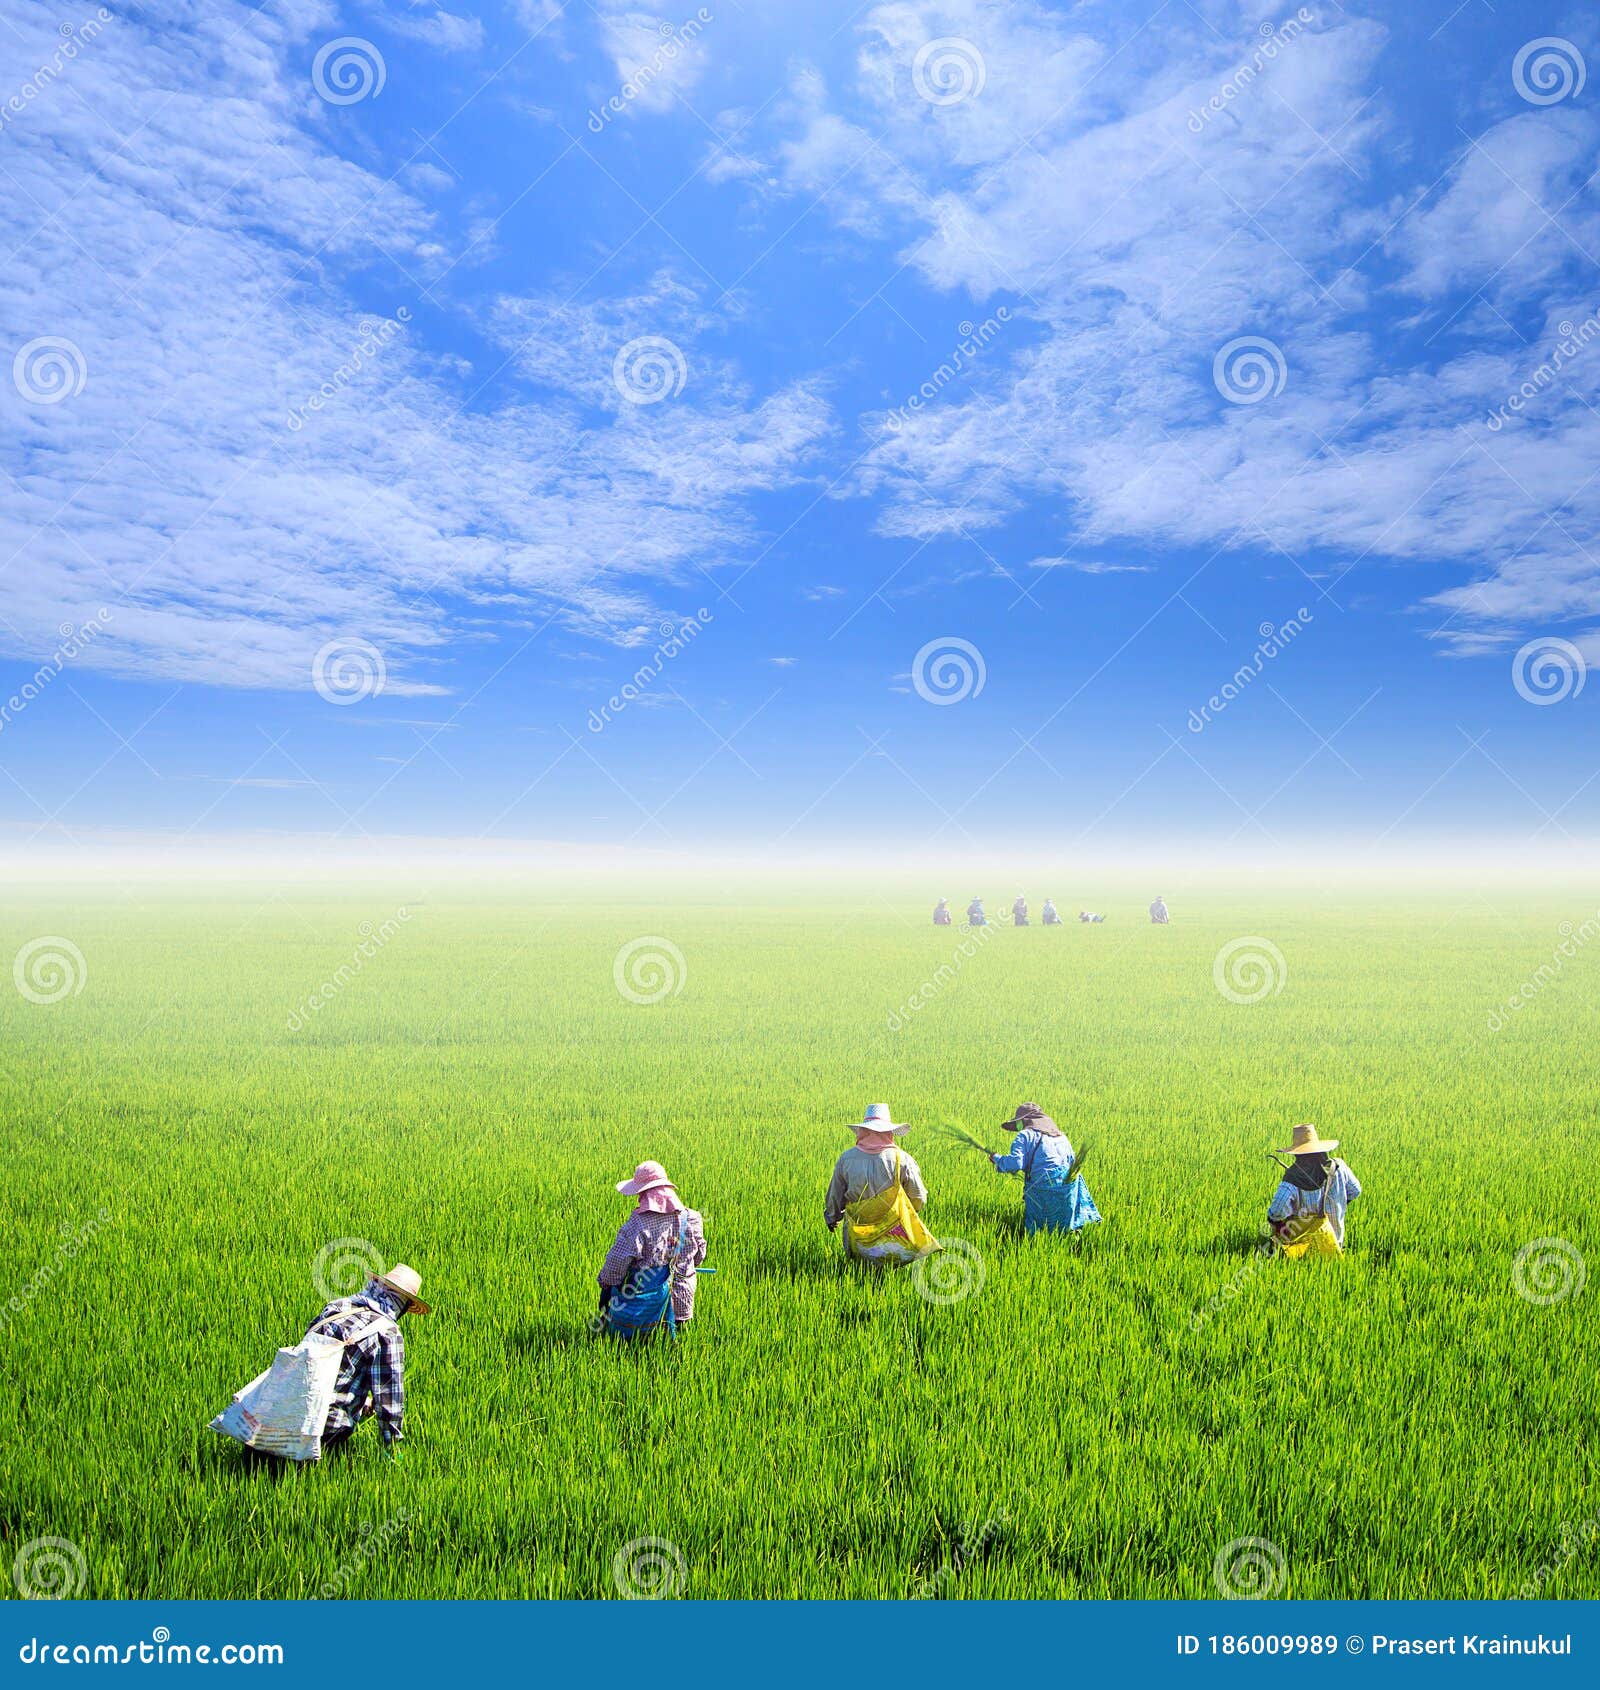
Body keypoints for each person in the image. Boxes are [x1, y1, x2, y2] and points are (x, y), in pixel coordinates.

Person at [310, 1263, 429, 1455]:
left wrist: (360, 1400)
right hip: (326, 1427)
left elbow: (313, 1362)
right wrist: (392, 1448)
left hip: (284, 1409)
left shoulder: (336, 1307)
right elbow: (389, 1397)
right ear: (404, 1306)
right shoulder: (387, 1331)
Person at [598, 1161, 707, 1329]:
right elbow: (699, 1256)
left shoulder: (637, 1224)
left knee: (634, 1340)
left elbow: (617, 1262)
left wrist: (605, 1286)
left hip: (643, 1301)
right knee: (672, 1339)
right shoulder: (691, 1218)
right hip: (680, 1298)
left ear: (644, 1193)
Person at [825, 1103, 933, 1260]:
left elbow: (835, 1195)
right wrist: (907, 1213)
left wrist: (832, 1217)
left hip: (857, 1234)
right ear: (889, 1132)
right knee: (889, 1271)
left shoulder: (846, 1159)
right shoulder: (902, 1159)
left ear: (863, 1131)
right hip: (894, 1236)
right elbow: (919, 1198)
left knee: (857, 1272)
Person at [989, 1102, 1102, 1235]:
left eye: (1018, 1122)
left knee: (1039, 1227)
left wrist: (997, 1158)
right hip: (1068, 1187)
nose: (1018, 1126)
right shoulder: (1060, 1135)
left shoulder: (1025, 1135)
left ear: (1024, 1121)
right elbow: (1072, 1161)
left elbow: (1015, 1163)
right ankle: (1070, 1239)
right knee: (1065, 1225)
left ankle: (1034, 1244)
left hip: (1043, 1189)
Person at [1267, 1124, 1362, 1256]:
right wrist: (1336, 1205)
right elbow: (1356, 1190)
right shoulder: (1339, 1167)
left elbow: (1276, 1212)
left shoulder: (1292, 1179)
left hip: (1302, 1251)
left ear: (1297, 1154)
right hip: (1335, 1246)